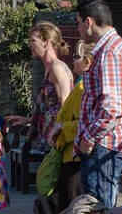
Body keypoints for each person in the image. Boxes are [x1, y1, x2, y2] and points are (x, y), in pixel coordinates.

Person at [32, 40, 93, 214]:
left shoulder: (86, 87)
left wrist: (61, 129)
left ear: (87, 62)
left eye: (77, 57)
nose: (72, 61)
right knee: (62, 204)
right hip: (68, 153)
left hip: (75, 156)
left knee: (70, 209)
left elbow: (85, 122)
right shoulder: (81, 83)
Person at [74, 0, 122, 209]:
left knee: (98, 210)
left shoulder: (111, 52)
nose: (78, 29)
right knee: (93, 208)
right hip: (103, 144)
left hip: (105, 145)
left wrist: (89, 138)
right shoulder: (109, 49)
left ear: (88, 22)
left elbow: (113, 108)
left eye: (78, 23)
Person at [5, 23, 74, 163]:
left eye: (33, 40)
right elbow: (51, 108)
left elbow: (65, 108)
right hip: (50, 140)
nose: (30, 44)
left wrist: (56, 135)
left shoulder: (57, 68)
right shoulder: (50, 68)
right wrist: (28, 120)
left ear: (46, 42)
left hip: (56, 142)